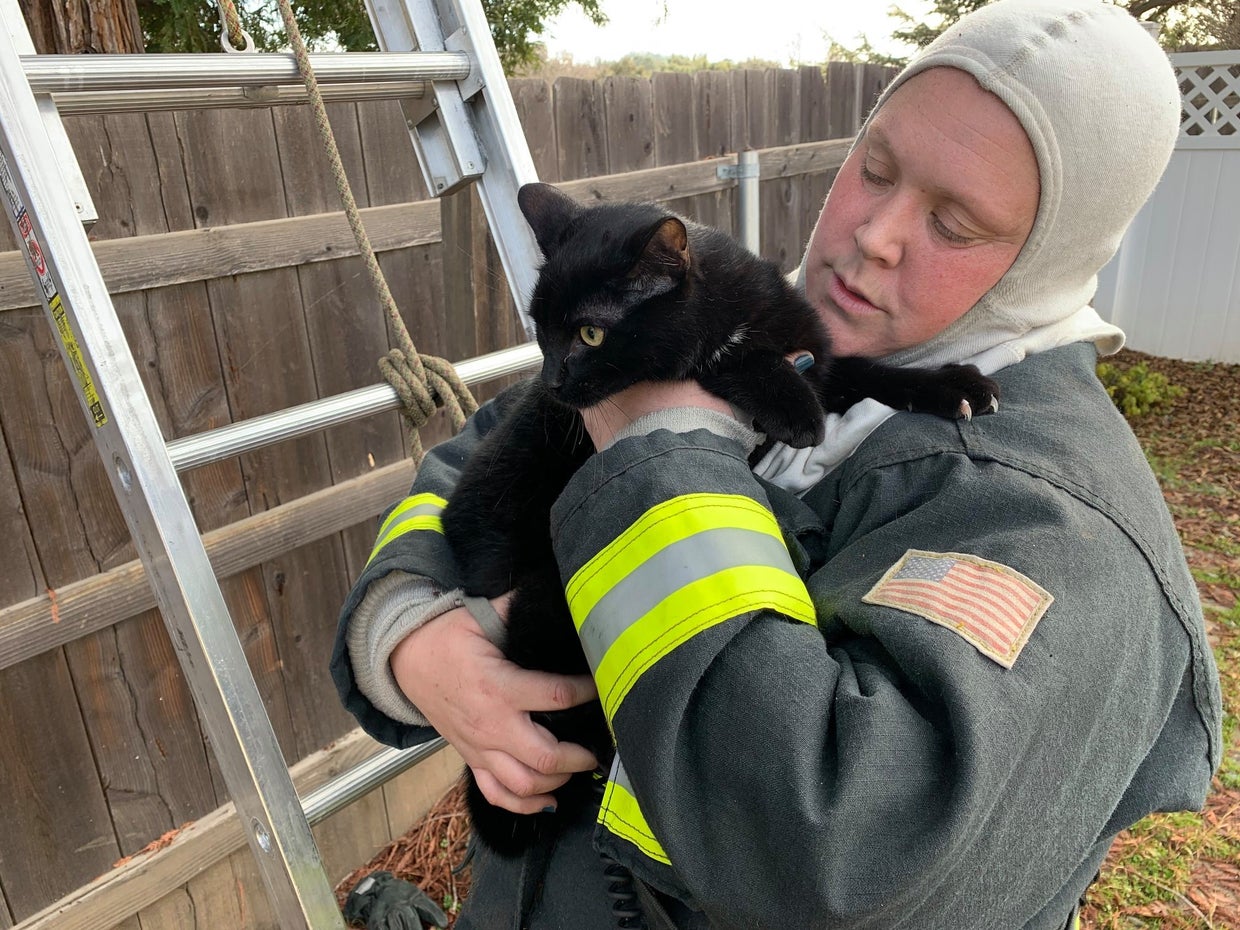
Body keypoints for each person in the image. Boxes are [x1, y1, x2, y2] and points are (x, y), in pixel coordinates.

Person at [332, 0, 1223, 926]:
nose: (875, 234)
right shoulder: (760, 320)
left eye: (954, 225)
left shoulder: (1061, 541)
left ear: (1048, 257)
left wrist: (661, 452)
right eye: (872, 168)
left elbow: (826, 858)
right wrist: (415, 635)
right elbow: (480, 459)